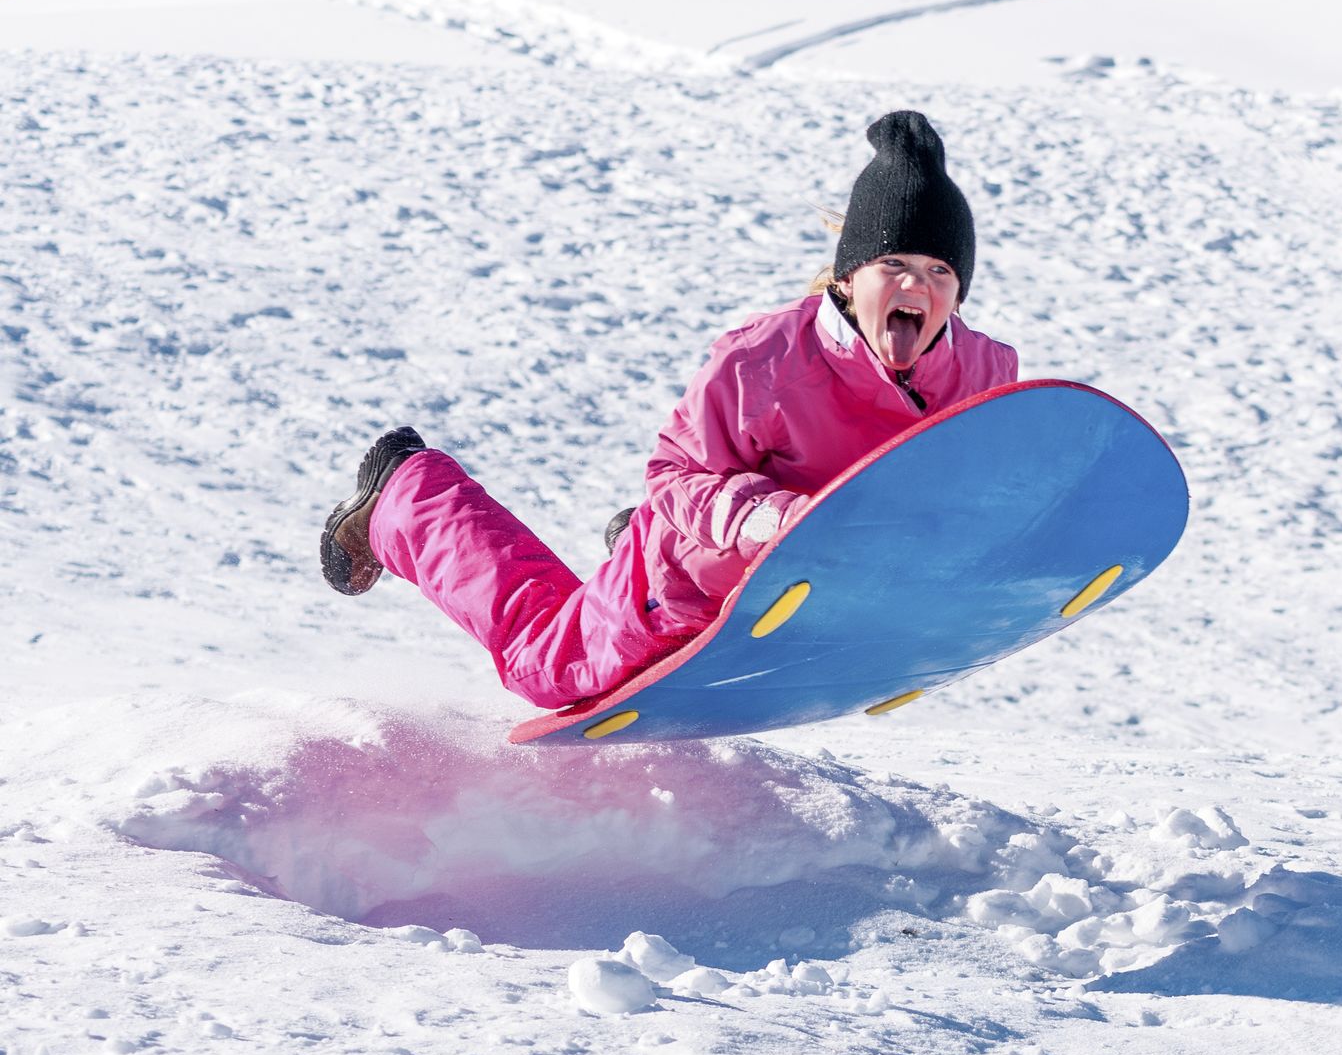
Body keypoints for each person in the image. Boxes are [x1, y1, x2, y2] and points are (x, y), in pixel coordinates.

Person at [318, 110, 1018, 709]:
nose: (917, 286)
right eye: (895, 265)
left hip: (813, 598)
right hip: (690, 582)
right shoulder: (768, 358)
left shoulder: (987, 372)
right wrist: (771, 521)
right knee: (552, 670)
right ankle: (407, 497)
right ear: (849, 275)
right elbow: (676, 475)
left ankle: (635, 542)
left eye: (940, 272)